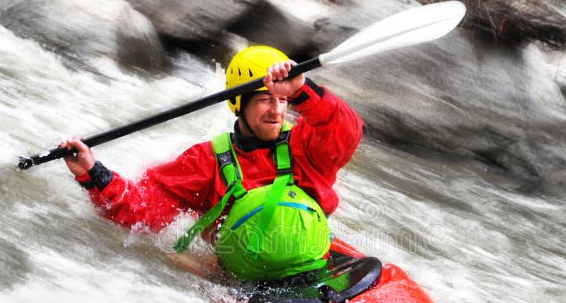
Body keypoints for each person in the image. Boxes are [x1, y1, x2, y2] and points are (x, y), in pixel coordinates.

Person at [60, 45, 363, 282]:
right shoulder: (205, 161)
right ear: (240, 103)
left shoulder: (306, 146)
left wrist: (303, 90)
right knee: (182, 260)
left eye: (282, 100)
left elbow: (346, 131)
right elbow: (144, 212)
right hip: (242, 282)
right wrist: (93, 174)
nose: (276, 111)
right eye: (265, 99)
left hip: (312, 263)